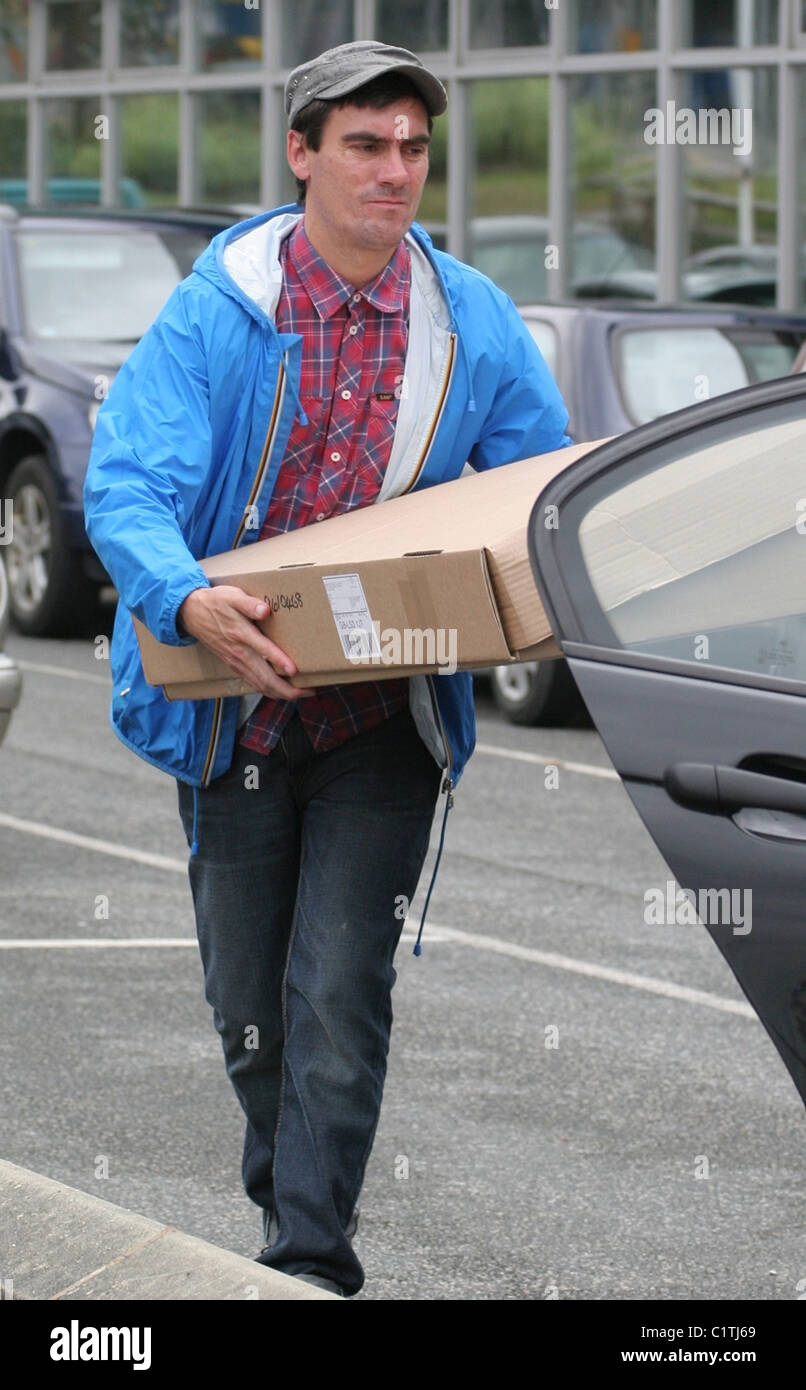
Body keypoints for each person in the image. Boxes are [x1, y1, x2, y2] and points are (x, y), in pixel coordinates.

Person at [83, 39, 572, 1298]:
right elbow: (128, 480)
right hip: (227, 717)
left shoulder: (468, 317)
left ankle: (309, 1261)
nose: (393, 169)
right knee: (249, 1010)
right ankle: (284, 1200)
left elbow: (538, 483)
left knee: (338, 1000)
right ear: (301, 154)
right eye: (363, 143)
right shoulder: (217, 313)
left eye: (412, 146)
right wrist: (183, 590)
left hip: (381, 721)